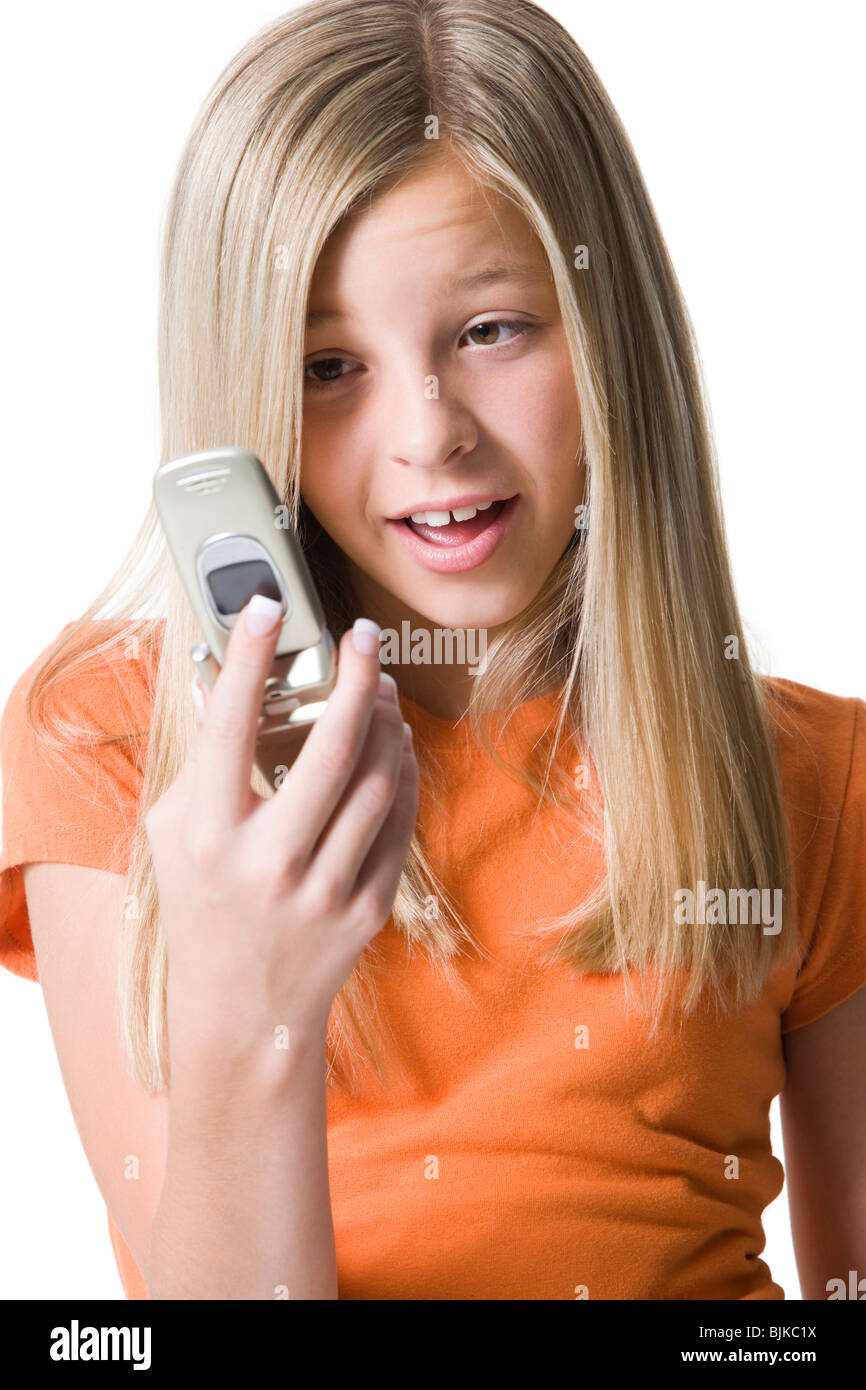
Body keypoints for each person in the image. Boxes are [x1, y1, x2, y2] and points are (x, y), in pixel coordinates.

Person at [1, 0, 864, 1301]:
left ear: (610, 332)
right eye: (329, 363)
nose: (426, 432)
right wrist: (254, 999)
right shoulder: (112, 744)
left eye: (488, 330)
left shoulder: (815, 776)